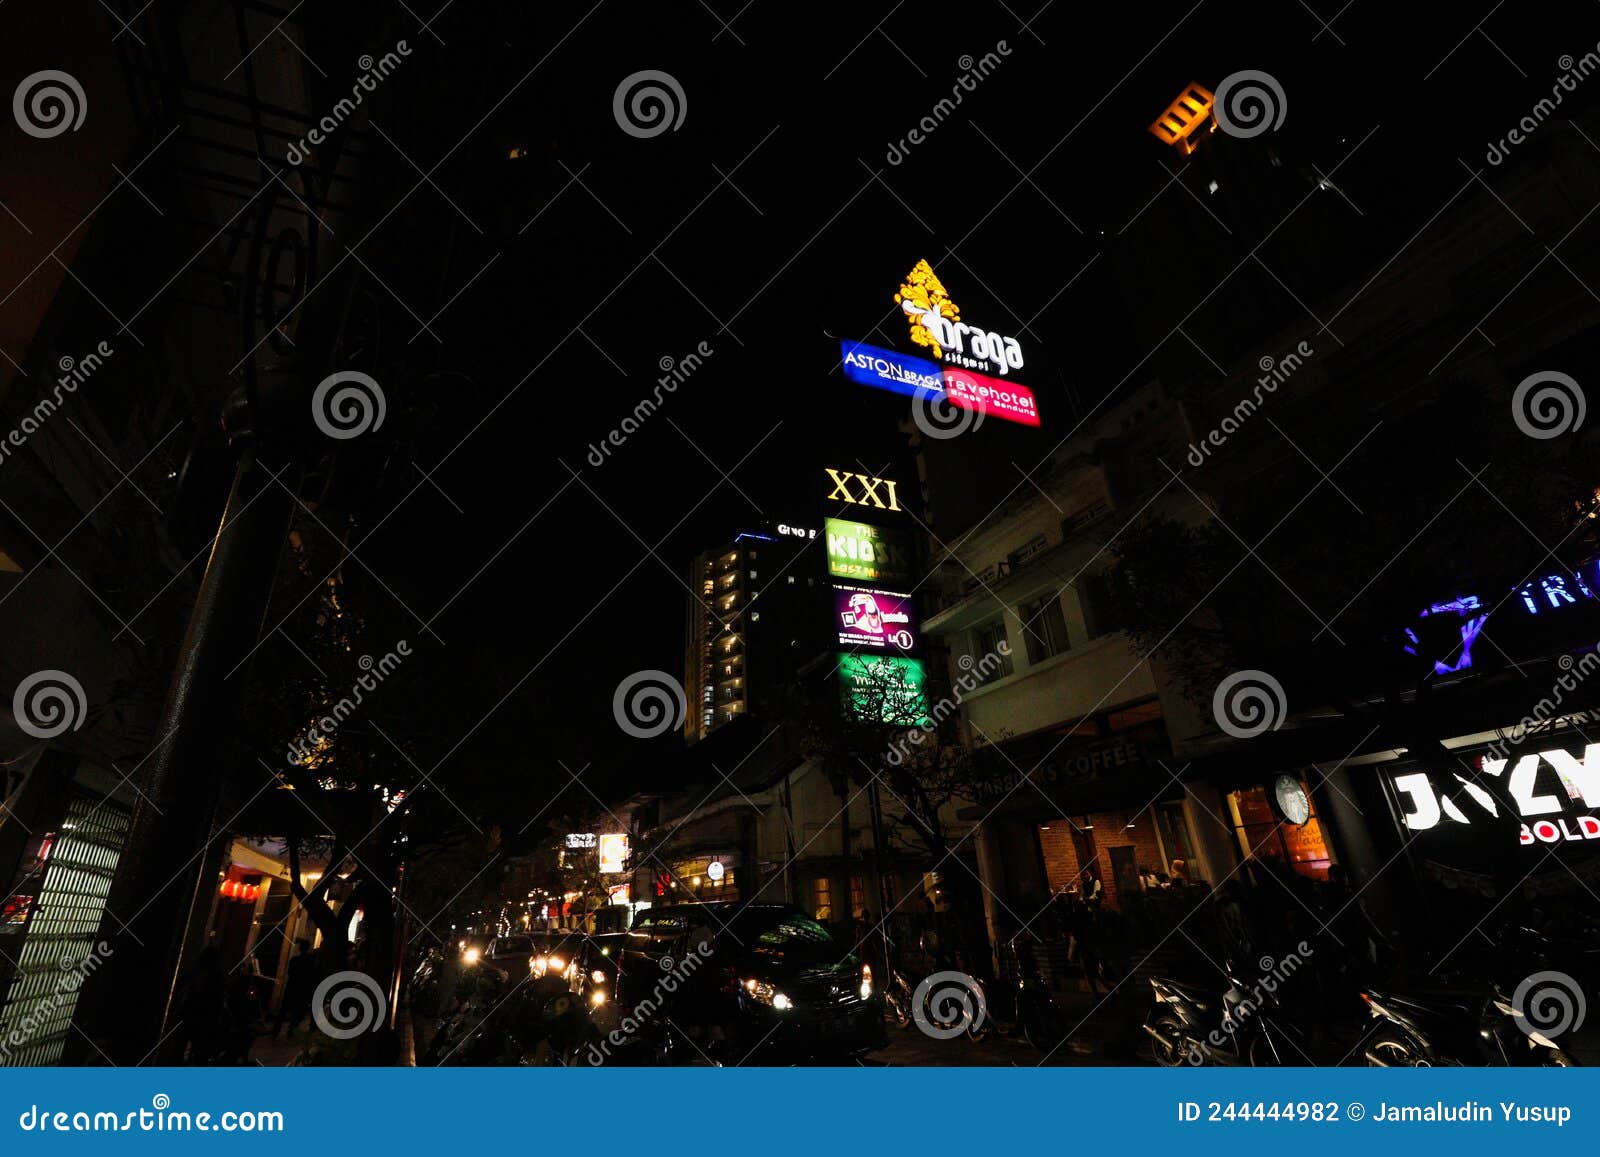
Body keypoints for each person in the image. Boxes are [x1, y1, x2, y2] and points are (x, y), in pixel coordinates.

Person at [274, 939, 317, 1039]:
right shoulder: (310, 961)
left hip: (292, 986)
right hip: (301, 989)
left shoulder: (294, 960)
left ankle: (276, 1030)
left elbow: (290, 972)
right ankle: (291, 1030)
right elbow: (311, 976)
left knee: (283, 1010)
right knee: (296, 1011)